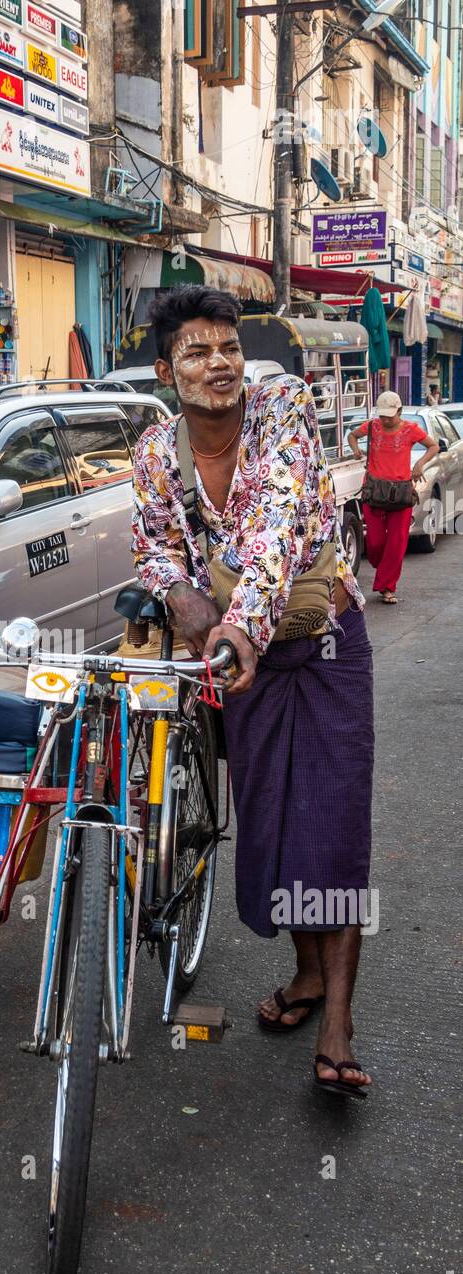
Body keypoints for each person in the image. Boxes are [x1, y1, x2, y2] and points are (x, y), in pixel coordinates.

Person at [132, 285, 375, 1098]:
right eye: (197, 351)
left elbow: (276, 526)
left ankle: (336, 1019)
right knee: (271, 826)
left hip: (323, 643)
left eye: (228, 347)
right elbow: (156, 545)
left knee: (333, 829)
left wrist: (236, 623)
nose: (219, 364)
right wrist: (182, 599)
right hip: (245, 664)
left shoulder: (285, 409)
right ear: (168, 370)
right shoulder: (155, 454)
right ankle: (306, 976)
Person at [347, 391, 438, 604]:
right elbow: (352, 436)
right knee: (376, 543)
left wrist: (419, 464)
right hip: (374, 491)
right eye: (383, 416)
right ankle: (383, 569)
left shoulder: (410, 430)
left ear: (399, 411)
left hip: (401, 493)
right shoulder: (372, 426)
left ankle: (387, 587)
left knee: (397, 543)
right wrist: (355, 450)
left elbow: (433, 446)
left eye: (390, 416)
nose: (386, 420)